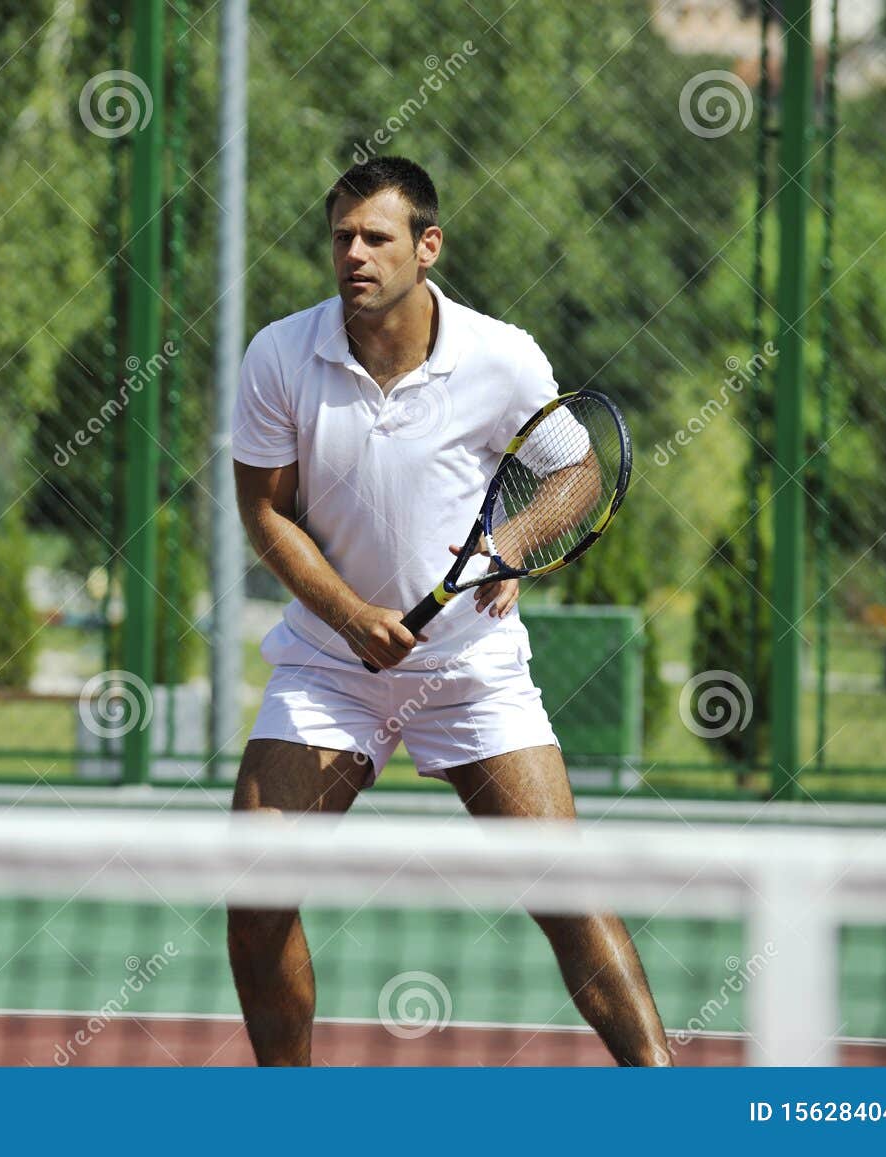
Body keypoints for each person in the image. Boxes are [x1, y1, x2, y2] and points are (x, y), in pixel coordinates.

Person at [226, 156, 670, 1066]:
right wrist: (351, 615)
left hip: (473, 674)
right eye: (342, 236)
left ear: (427, 247)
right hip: (329, 669)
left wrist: (508, 548)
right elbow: (265, 509)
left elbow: (576, 471)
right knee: (254, 886)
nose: (355, 253)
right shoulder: (279, 353)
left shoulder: (500, 356)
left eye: (377, 237)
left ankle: (670, 1102)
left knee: (566, 893)